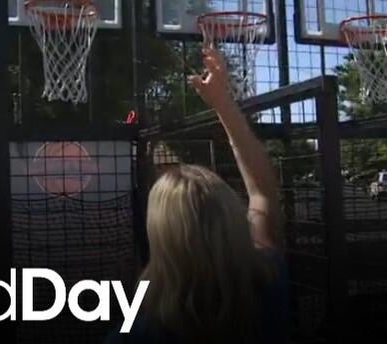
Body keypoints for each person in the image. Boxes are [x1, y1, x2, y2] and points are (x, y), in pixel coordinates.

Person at [106, 48, 287, 344]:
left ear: (162, 236)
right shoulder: (266, 282)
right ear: (231, 216)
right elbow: (262, 192)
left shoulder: (143, 328)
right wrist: (223, 103)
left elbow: (261, 194)